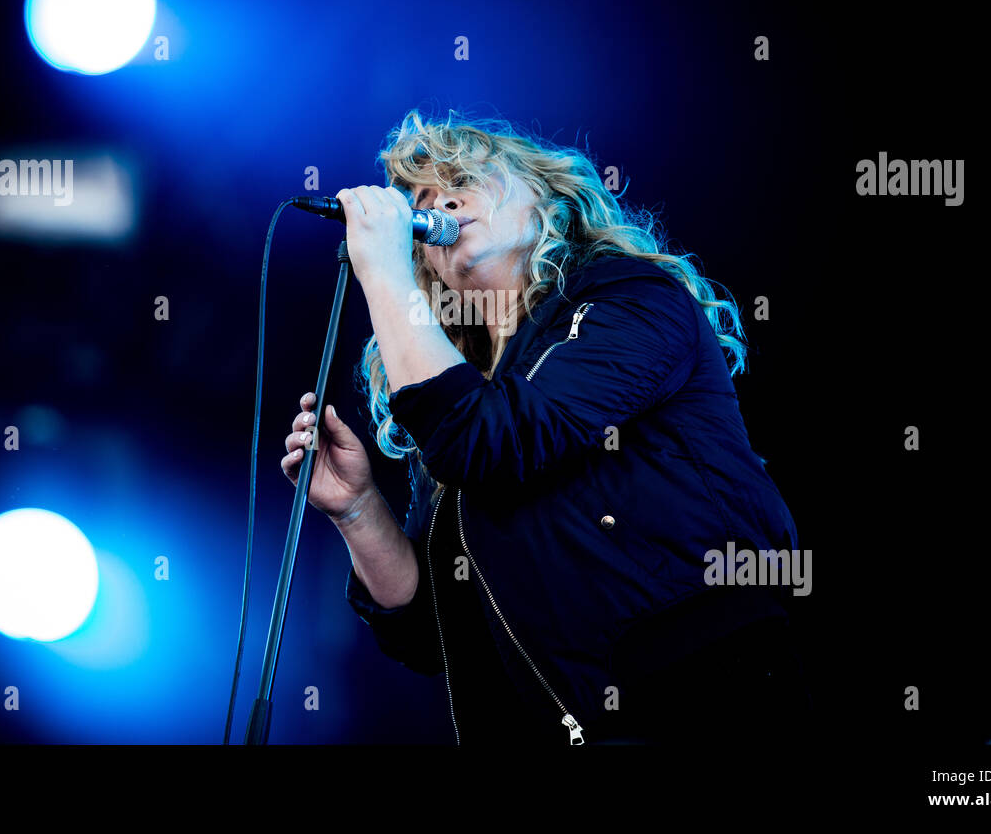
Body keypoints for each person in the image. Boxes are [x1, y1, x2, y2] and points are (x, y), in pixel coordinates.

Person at [281, 109, 809, 745]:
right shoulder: (463, 398)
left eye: (466, 177)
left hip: (697, 703)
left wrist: (383, 273)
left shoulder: (631, 298)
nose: (437, 199)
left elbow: (498, 439)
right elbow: (431, 630)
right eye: (419, 198)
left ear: (549, 199)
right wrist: (359, 510)